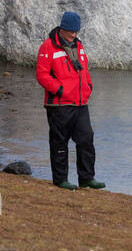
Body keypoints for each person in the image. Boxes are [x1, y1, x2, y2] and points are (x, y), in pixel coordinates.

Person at [35, 11, 104, 190]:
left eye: (76, 31)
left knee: (86, 139)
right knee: (59, 142)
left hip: (80, 102)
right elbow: (42, 75)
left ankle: (87, 178)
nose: (74, 34)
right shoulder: (48, 47)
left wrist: (88, 86)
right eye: (71, 31)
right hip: (59, 104)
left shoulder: (79, 46)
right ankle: (60, 180)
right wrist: (59, 90)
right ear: (62, 29)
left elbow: (84, 69)